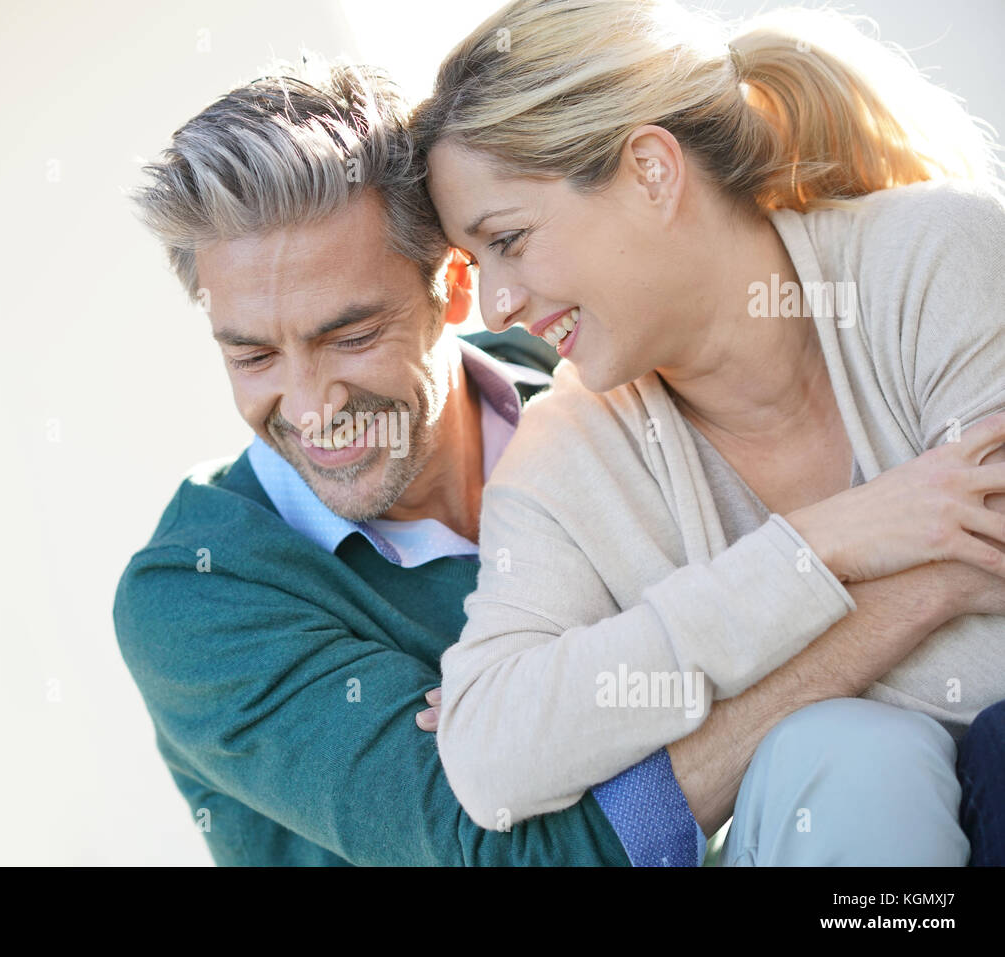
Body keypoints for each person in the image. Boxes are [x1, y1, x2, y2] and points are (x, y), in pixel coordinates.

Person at [115, 56, 993, 867]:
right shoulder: (199, 591)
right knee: (845, 746)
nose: (309, 407)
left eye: (351, 335)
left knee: (889, 760)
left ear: (452, 285)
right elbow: (498, 850)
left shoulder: (596, 386)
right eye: (253, 357)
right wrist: (932, 581)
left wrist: (587, 712)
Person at [410, 0, 1005, 864]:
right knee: (844, 753)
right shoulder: (564, 454)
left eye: (511, 240)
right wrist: (842, 545)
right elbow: (494, 753)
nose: (496, 305)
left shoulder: (928, 261)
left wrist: (693, 700)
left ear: (651, 170)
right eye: (476, 264)